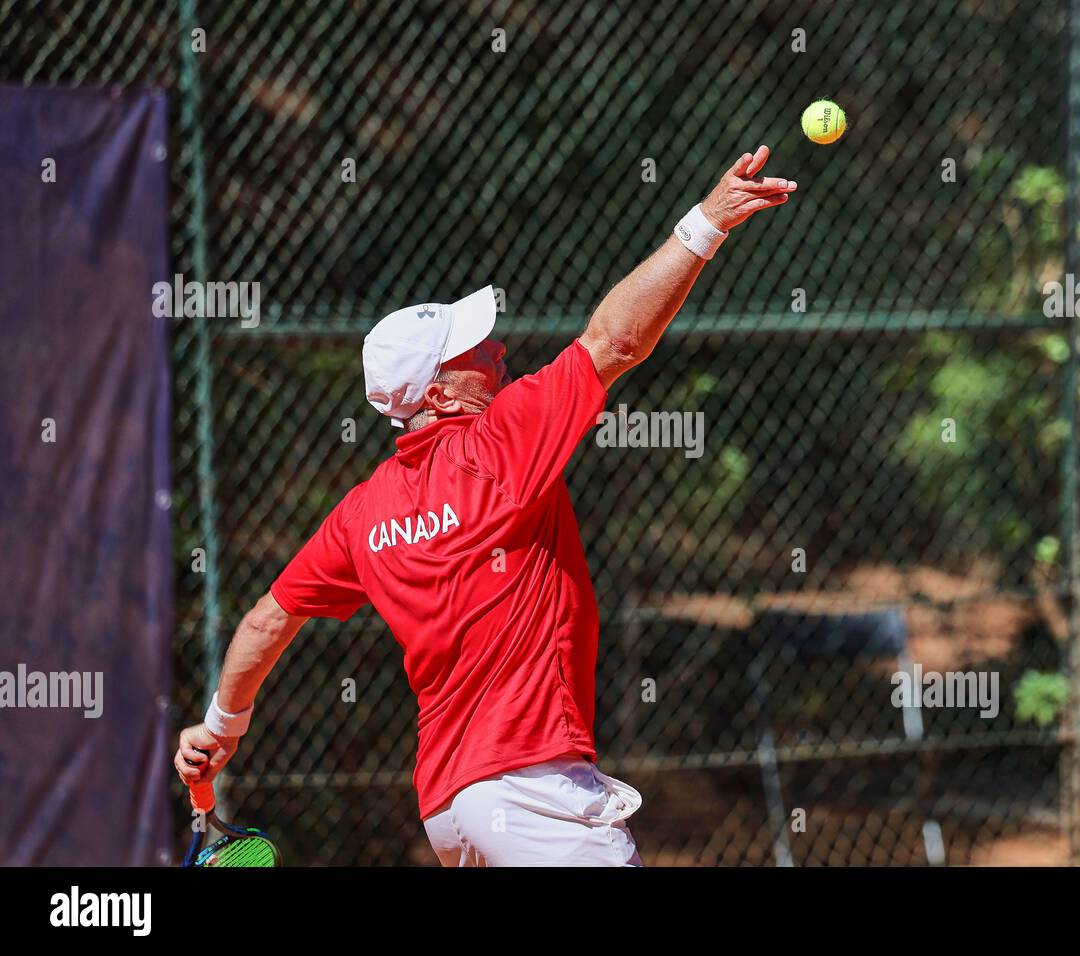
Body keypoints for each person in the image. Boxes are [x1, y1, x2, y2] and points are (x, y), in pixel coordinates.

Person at [173, 145, 797, 866]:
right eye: (474, 351)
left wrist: (222, 725)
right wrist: (706, 222)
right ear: (436, 396)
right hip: (533, 790)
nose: (498, 350)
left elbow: (267, 618)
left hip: (449, 811)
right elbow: (616, 341)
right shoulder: (500, 442)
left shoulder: (362, 513)